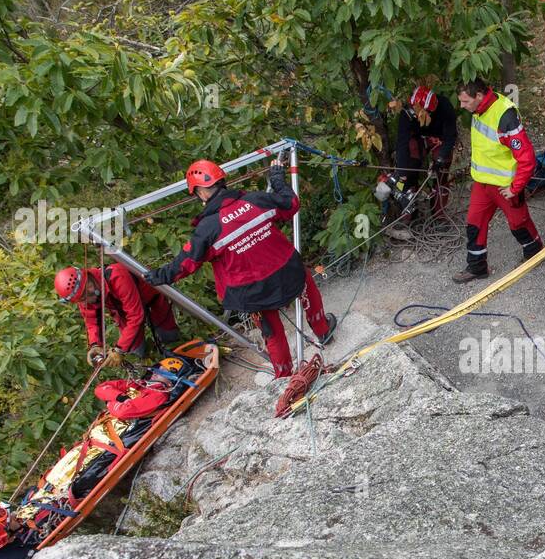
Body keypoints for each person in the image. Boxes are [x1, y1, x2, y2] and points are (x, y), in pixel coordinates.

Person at [144, 155, 336, 377]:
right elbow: (291, 204)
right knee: (306, 287)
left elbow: (185, 264)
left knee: (270, 329)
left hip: (253, 291)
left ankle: (284, 375)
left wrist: (157, 276)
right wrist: (277, 179)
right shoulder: (255, 200)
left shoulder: (207, 229)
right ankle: (323, 330)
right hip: (287, 272)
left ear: (202, 192)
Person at [452, 77, 544, 283]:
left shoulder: (505, 115)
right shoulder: (478, 109)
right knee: (474, 224)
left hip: (505, 186)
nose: (462, 106)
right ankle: (477, 267)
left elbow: (527, 158)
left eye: (465, 101)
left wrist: (515, 187)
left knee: (518, 223)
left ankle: (535, 252)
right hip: (483, 183)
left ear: (479, 96)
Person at [55, 263, 181, 366]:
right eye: (82, 298)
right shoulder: (84, 297)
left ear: (88, 276)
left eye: (87, 289)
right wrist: (95, 345)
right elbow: (92, 322)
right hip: (123, 312)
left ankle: (180, 358)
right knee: (135, 349)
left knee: (169, 336)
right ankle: (149, 365)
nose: (88, 297)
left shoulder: (116, 275)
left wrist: (119, 349)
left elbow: (136, 315)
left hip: (151, 299)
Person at [377, 85, 459, 238]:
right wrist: (401, 173)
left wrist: (439, 160)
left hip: (439, 140)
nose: (415, 114)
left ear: (429, 111)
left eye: (419, 112)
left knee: (440, 173)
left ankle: (439, 215)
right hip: (418, 140)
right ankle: (410, 213)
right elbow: (402, 144)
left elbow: (450, 136)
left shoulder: (444, 107)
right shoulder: (407, 114)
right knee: (408, 168)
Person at [93, 357, 187, 420]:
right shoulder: (139, 384)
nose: (156, 372)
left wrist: (109, 401)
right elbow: (100, 388)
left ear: (171, 383)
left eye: (163, 372)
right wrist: (119, 397)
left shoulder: (158, 396)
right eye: (158, 369)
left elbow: (122, 412)